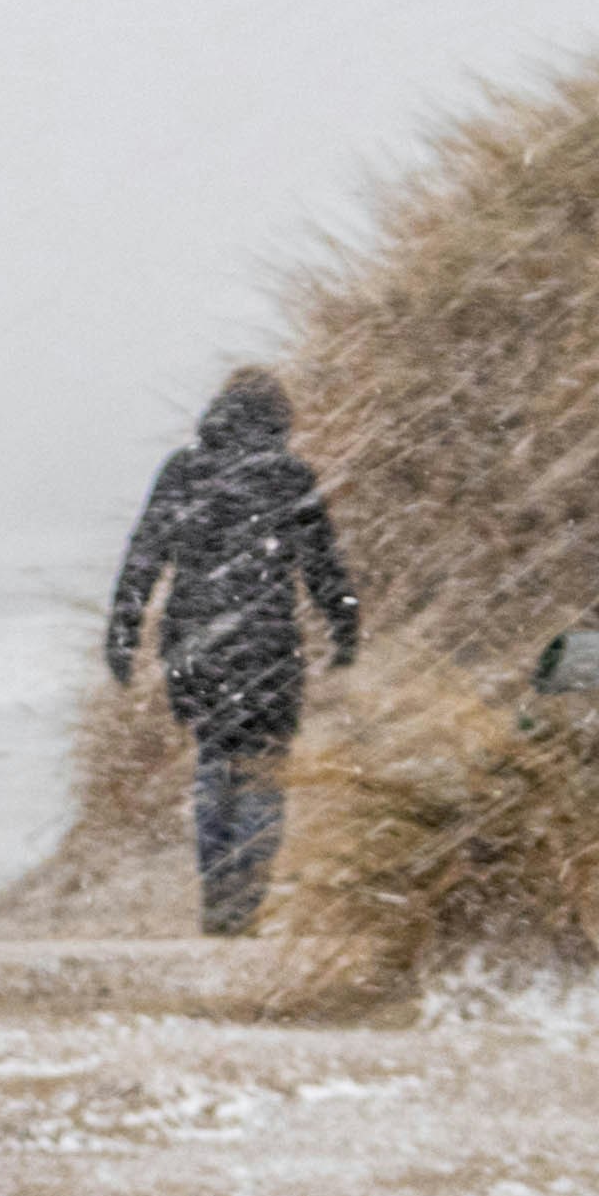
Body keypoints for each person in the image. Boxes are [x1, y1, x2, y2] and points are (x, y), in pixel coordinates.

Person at [101, 367, 363, 935]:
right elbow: (322, 564)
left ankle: (218, 891)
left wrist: (122, 634)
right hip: (266, 642)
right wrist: (345, 626)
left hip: (194, 645)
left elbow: (143, 557)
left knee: (214, 760)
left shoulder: (182, 472)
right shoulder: (289, 475)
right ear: (280, 419)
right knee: (263, 769)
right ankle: (244, 895)